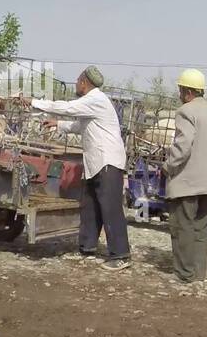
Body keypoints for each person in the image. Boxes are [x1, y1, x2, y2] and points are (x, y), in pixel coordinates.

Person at [24, 65, 131, 271]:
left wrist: (35, 102)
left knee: (110, 209)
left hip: (107, 162)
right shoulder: (94, 103)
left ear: (84, 82)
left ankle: (120, 254)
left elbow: (68, 107)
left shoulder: (95, 100)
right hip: (96, 162)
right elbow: (81, 125)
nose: (76, 84)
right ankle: (87, 248)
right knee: (90, 206)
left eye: (77, 81)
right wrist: (58, 124)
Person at [162, 69, 207, 283]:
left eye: (180, 90)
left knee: (182, 227)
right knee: (199, 229)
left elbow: (183, 146)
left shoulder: (186, 111)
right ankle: (198, 273)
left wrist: (168, 166)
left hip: (188, 182)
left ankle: (183, 273)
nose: (179, 94)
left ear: (187, 91)